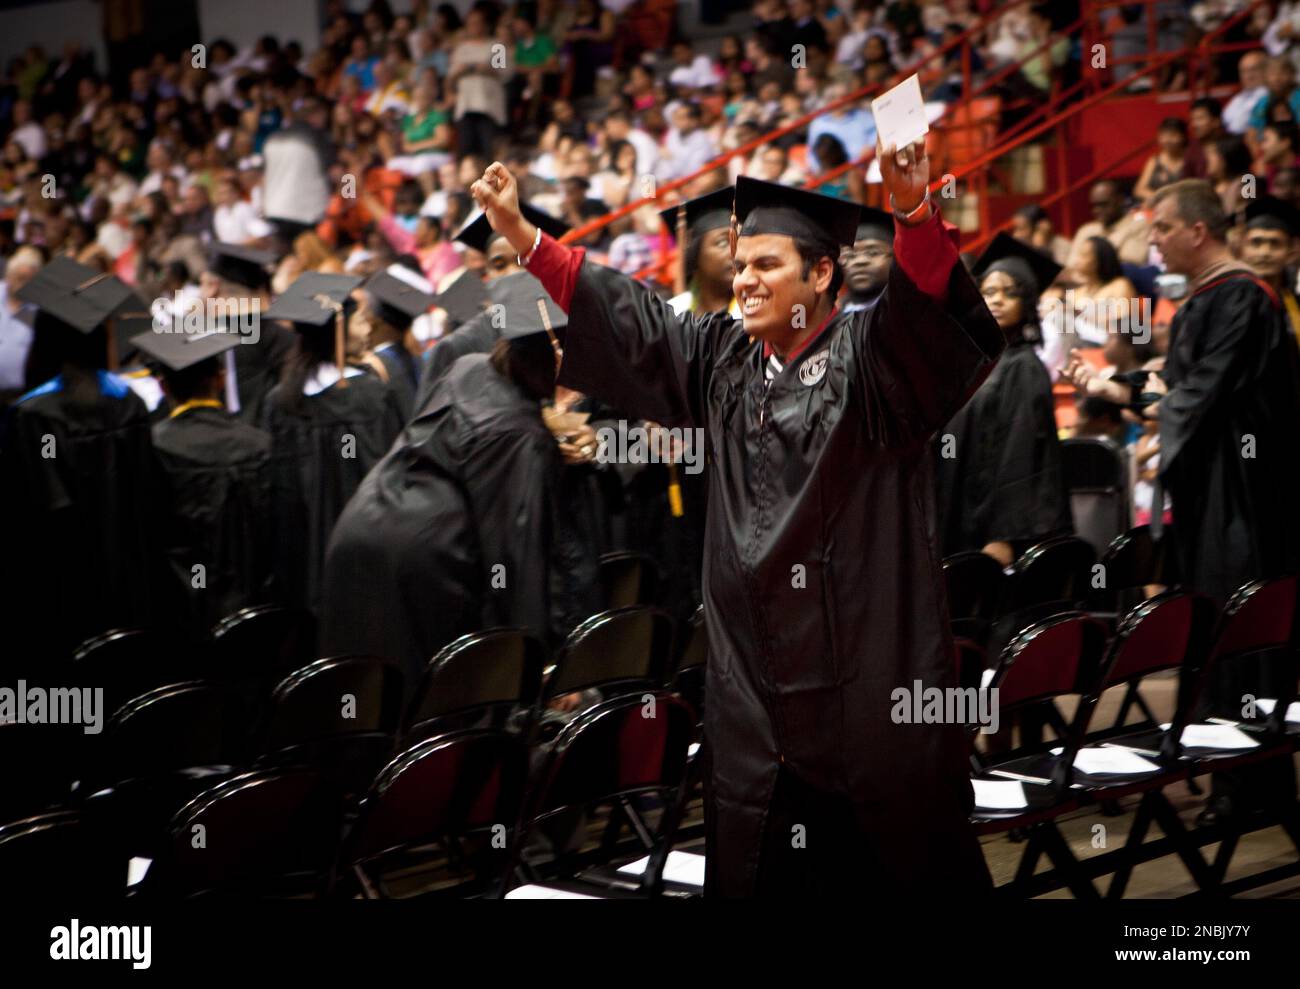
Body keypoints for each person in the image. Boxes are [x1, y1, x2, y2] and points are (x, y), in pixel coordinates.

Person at [467, 142, 1004, 897]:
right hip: (756, 701)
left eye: (767, 265)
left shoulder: (872, 360)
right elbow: (632, 321)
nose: (745, 280)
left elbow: (926, 319)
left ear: (822, 276)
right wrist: (525, 237)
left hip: (868, 697)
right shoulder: (724, 358)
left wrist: (914, 212)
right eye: (740, 263)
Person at [321, 276, 590, 688]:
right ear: (554, 355)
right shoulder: (519, 437)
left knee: (368, 695)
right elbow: (515, 559)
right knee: (425, 706)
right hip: (424, 559)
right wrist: (534, 661)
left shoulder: (468, 369)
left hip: (362, 530)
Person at [1147, 179, 1300, 823]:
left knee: (1240, 629)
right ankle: (1231, 780)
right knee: (1218, 629)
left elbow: (1205, 392)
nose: (1152, 238)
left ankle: (1250, 789)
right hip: (1216, 492)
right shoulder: (1214, 298)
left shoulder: (1241, 296)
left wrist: (1159, 418)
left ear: (1196, 231)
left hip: (1241, 499)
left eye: (1161, 226)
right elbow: (1195, 387)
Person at [0, 256, 166, 658]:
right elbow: (150, 493)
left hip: (65, 585)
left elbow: (34, 512)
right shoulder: (129, 404)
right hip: (131, 576)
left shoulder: (33, 415)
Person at [260, 272, 406, 614]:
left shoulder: (281, 401)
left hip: (302, 558)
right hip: (365, 549)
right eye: (358, 321)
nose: (367, 327)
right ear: (337, 332)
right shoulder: (373, 396)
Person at [934, 233, 1072, 564]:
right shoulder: (974, 361)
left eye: (1010, 293)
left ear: (1027, 305)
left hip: (996, 533)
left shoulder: (1024, 367)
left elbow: (1021, 456)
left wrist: (1003, 536)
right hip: (959, 511)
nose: (996, 300)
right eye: (989, 291)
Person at [133, 326, 274, 639]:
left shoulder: (153, 447)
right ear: (221, 378)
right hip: (255, 600)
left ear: (162, 385)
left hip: (180, 600)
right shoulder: (260, 444)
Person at [413, 204, 568, 413]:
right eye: (499, 265)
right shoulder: (455, 349)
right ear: (486, 273)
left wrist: (593, 433)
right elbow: (430, 435)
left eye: (524, 260)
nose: (512, 274)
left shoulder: (581, 331)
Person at [208, 242, 295, 426]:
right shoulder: (278, 335)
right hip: (270, 435)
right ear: (260, 288)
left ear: (215, 288)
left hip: (216, 437)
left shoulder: (198, 336)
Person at [356, 264, 435, 420]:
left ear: (374, 320)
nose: (362, 317)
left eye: (364, 312)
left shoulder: (376, 368)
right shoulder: (418, 359)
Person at [1240, 195, 1300, 343]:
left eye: (1275, 243)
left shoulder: (1295, 301)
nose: (1264, 253)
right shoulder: (1228, 298)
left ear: (1291, 251)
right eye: (1256, 243)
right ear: (1242, 248)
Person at [1066, 179, 1151, 268]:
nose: (1097, 210)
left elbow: (1129, 264)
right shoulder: (1085, 230)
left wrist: (1086, 261)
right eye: (1094, 205)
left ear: (1120, 200)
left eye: (1103, 204)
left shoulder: (1139, 226)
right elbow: (1071, 265)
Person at [840, 207, 893, 312]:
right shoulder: (829, 319)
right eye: (850, 255)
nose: (860, 261)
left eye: (873, 253)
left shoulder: (909, 314)